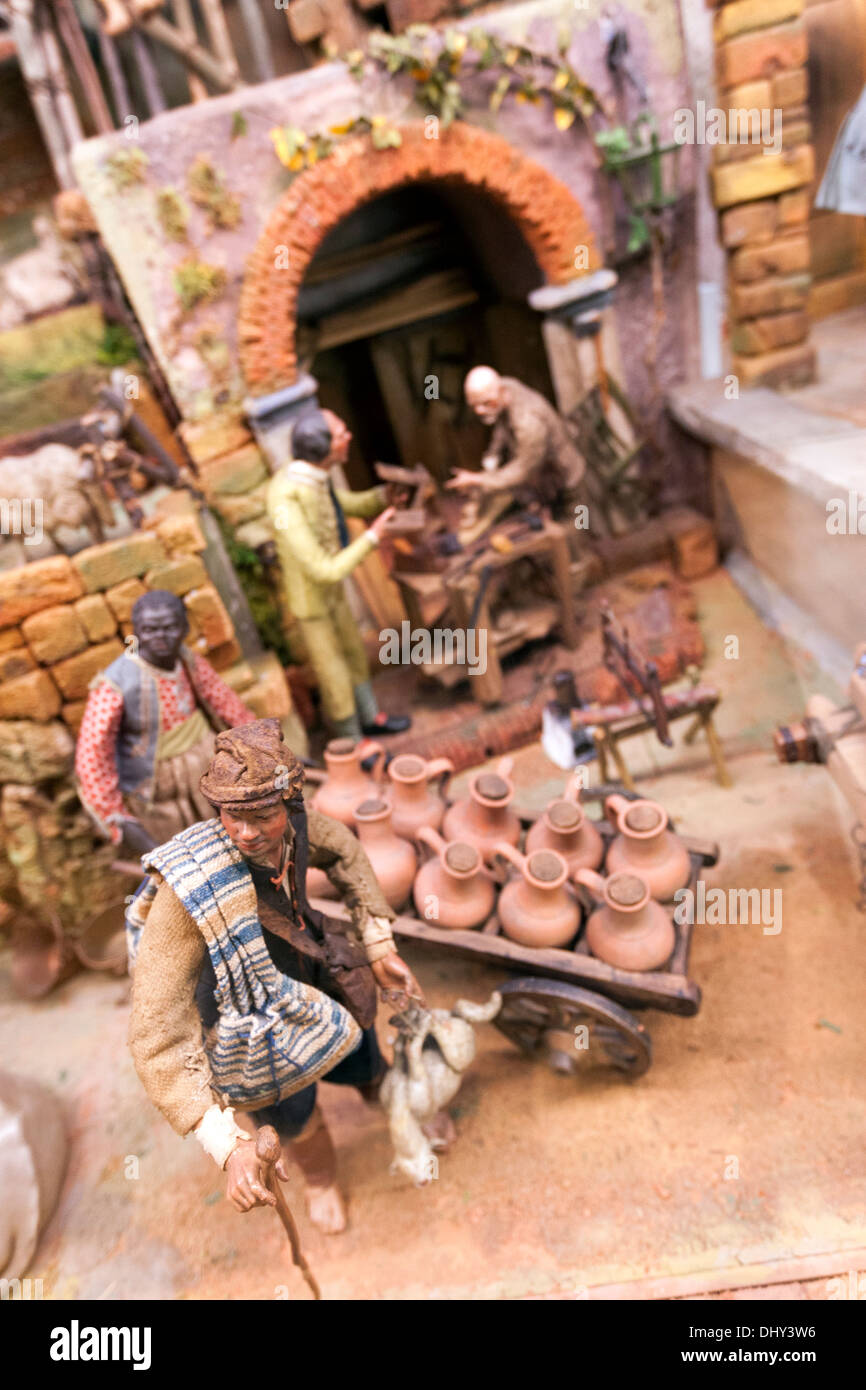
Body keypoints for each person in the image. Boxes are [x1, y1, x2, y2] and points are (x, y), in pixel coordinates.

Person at [126, 719, 425, 1233]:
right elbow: (157, 1033)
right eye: (231, 816)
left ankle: (388, 1100)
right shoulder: (188, 889)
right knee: (291, 1117)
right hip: (244, 1019)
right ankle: (322, 1178)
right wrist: (224, 1142)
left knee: (364, 1054)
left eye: (263, 815)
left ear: (289, 802)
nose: (245, 832)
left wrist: (377, 943)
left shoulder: (301, 825)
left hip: (312, 975)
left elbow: (347, 851)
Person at [75, 588, 255, 856]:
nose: (160, 636)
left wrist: (261, 745)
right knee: (187, 854)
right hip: (160, 790)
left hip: (210, 767)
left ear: (184, 628)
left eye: (170, 627)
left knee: (238, 836)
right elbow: (93, 753)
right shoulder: (116, 684)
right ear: (135, 632)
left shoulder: (187, 660)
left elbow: (225, 701)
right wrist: (115, 816)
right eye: (149, 629)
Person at [266, 408, 410, 741]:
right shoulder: (285, 499)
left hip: (333, 594)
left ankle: (372, 717)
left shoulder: (315, 476)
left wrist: (381, 498)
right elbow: (323, 569)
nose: (349, 437)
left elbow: (339, 503)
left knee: (354, 654)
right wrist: (374, 537)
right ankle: (353, 744)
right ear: (324, 447)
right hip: (313, 602)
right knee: (333, 674)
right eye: (342, 433)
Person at [448, 366, 586, 537]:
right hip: (546, 480)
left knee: (575, 530)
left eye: (485, 404)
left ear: (497, 395)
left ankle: (583, 556)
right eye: (475, 406)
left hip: (566, 478)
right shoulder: (506, 388)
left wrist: (478, 479)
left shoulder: (529, 423)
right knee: (557, 525)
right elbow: (501, 424)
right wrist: (493, 455)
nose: (480, 411)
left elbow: (522, 469)